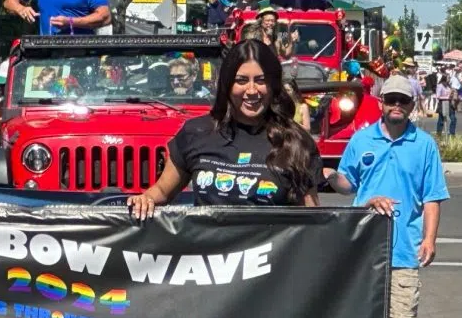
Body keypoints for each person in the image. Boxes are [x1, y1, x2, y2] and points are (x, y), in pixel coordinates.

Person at [323, 74, 449, 318]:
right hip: (363, 242)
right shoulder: (361, 141)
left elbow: (432, 196)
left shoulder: (424, 146)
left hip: (404, 242)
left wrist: (429, 238)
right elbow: (348, 183)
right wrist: (329, 175)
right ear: (381, 103)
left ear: (412, 105)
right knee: (362, 309)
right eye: (390, 99)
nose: (396, 105)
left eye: (402, 101)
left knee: (399, 310)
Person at [128, 40, 322, 217]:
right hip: (207, 253)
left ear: (273, 85)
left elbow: (311, 221)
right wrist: (145, 199)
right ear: (227, 84)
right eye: (241, 80)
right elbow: (162, 191)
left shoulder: (297, 142)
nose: (252, 90)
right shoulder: (196, 132)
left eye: (261, 81)